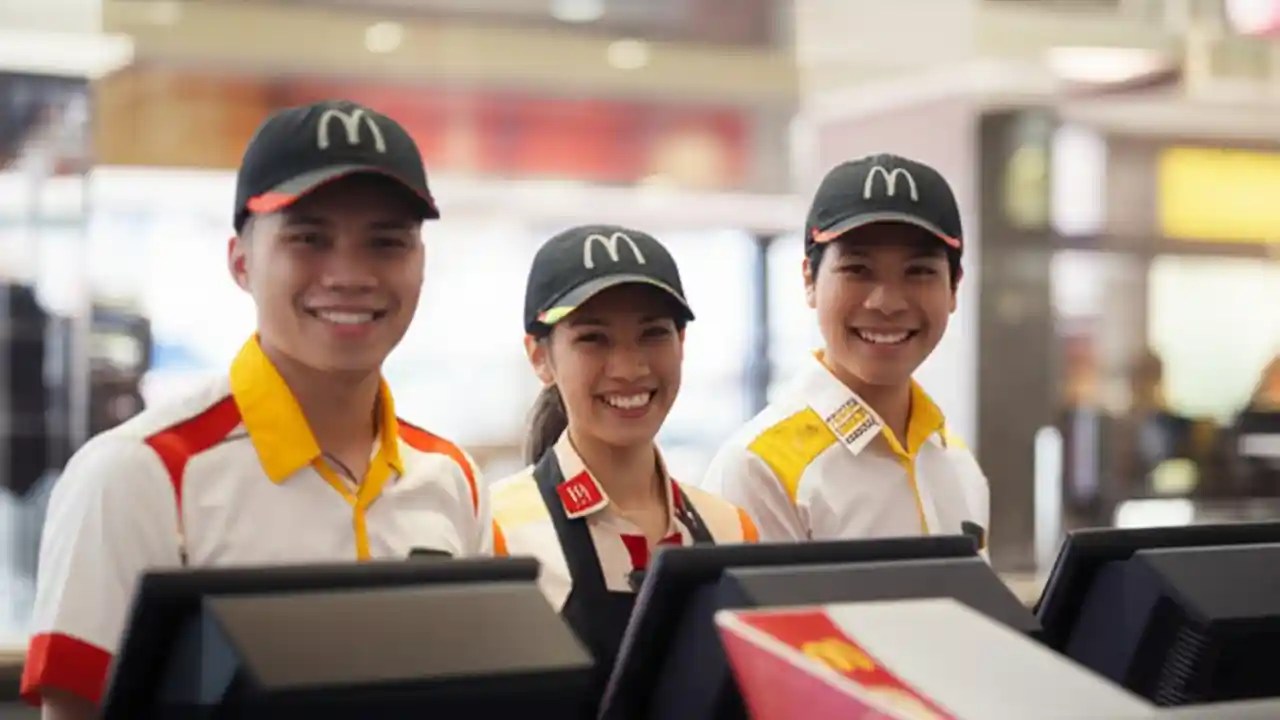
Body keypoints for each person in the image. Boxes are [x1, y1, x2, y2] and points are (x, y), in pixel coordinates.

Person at [22, 100, 493, 719]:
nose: (350, 274)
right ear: (241, 262)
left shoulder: (450, 478)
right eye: (309, 238)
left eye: (386, 242)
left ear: (421, 265)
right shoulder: (139, 475)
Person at [491, 224, 758, 709]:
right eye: (593, 339)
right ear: (540, 357)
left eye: (652, 334)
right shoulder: (495, 530)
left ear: (681, 341)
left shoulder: (731, 529)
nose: (628, 368)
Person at [702, 153, 989, 549]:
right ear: (809, 280)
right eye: (858, 270)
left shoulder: (956, 463)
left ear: (954, 287)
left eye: (918, 271)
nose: (887, 302)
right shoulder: (759, 470)